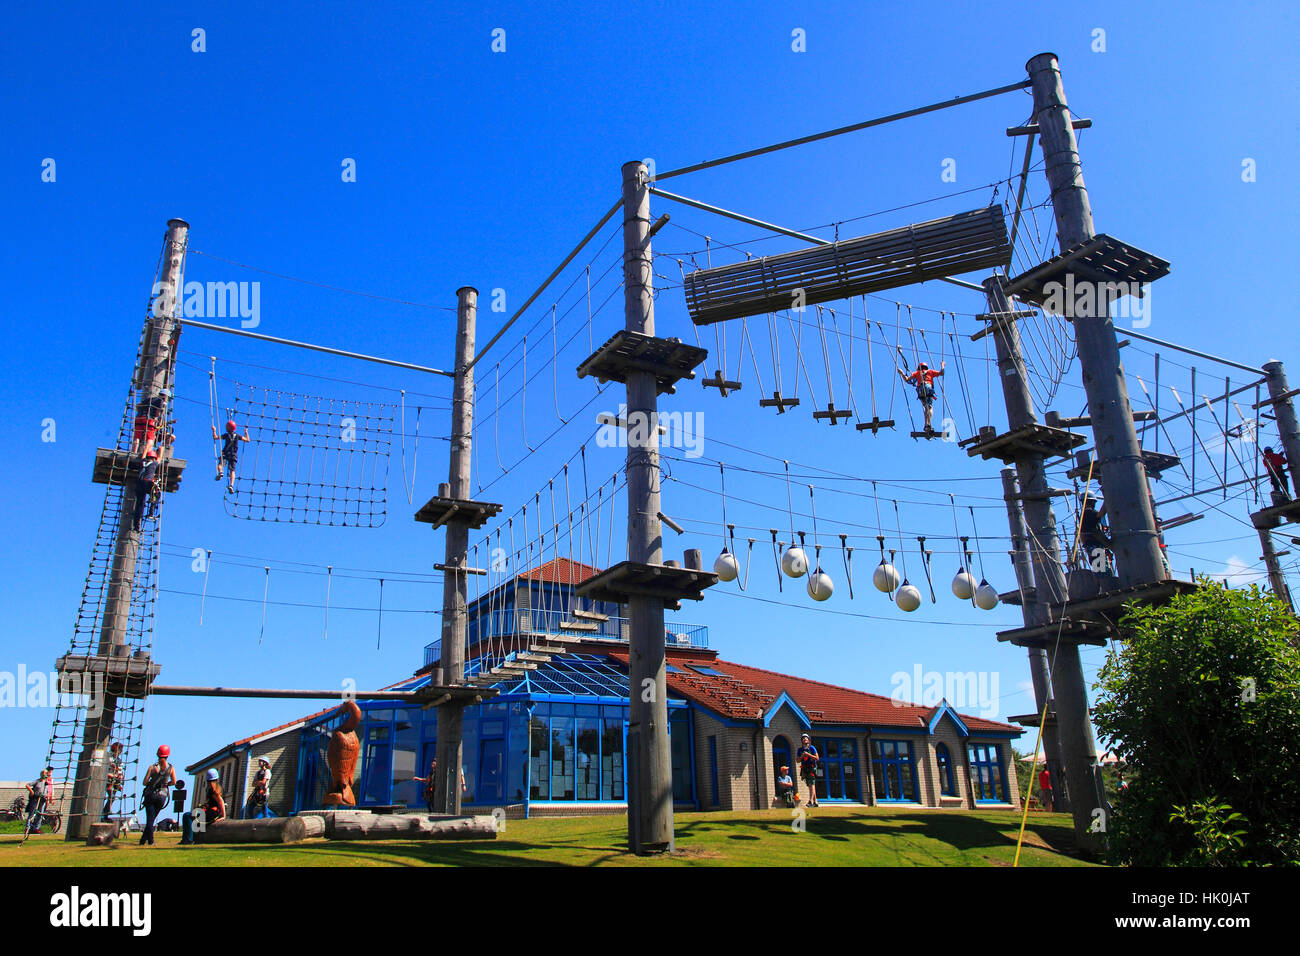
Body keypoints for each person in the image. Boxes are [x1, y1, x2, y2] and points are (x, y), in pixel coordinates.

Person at [140, 745, 176, 845]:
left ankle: (150, 841)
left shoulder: (152, 767)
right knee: (152, 819)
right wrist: (165, 784)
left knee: (150, 820)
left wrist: (151, 783)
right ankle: (143, 840)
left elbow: (144, 782)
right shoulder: (171, 768)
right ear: (167, 755)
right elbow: (174, 781)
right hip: (163, 795)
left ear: (157, 754)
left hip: (151, 794)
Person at [898, 361, 945, 433]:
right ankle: (928, 425)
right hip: (928, 388)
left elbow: (907, 379)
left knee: (926, 407)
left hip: (920, 391)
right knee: (930, 407)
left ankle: (926, 425)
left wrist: (901, 373)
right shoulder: (930, 371)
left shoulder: (917, 373)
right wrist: (942, 365)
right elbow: (941, 373)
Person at [213, 419, 251, 493]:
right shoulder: (237, 436)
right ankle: (231, 485)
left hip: (225, 453)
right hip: (233, 455)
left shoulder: (226, 435)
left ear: (227, 428)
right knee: (232, 471)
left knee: (220, 464)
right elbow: (247, 440)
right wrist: (246, 432)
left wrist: (214, 430)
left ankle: (221, 472)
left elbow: (215, 437)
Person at [1078, 497, 1112, 572]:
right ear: (1092, 502)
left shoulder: (1084, 514)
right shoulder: (1088, 512)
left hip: (1092, 546)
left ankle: (1103, 580)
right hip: (1095, 546)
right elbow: (1100, 514)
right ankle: (1105, 582)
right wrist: (1108, 500)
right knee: (1102, 570)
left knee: (1101, 569)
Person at [131, 451, 162, 532]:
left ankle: (136, 526)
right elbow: (159, 458)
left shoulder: (142, 462)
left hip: (139, 484)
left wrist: (145, 451)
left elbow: (143, 455)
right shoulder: (154, 463)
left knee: (139, 505)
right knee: (157, 494)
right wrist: (161, 449)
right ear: (153, 458)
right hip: (147, 482)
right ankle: (151, 512)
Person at [24, 767, 54, 835]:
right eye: (43, 774)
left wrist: (48, 800)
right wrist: (31, 791)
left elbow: (48, 792)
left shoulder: (46, 783)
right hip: (36, 799)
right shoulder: (37, 781)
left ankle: (36, 828)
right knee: (32, 813)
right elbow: (27, 785)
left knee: (40, 814)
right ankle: (28, 827)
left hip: (43, 799)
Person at [102, 742, 124, 822]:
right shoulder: (108, 757)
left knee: (112, 797)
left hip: (114, 781)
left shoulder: (119, 760)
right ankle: (103, 814)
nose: (121, 751)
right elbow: (103, 770)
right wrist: (112, 775)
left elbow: (120, 771)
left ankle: (105, 814)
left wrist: (120, 776)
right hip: (106, 780)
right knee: (109, 796)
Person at [797, 734, 821, 808]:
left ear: (809, 740)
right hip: (805, 768)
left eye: (806, 738)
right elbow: (797, 760)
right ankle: (815, 802)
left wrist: (808, 755)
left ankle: (810, 801)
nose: (805, 740)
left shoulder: (812, 748)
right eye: (803, 739)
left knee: (811, 784)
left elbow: (817, 758)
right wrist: (802, 756)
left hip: (812, 768)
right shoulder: (800, 750)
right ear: (801, 741)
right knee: (810, 784)